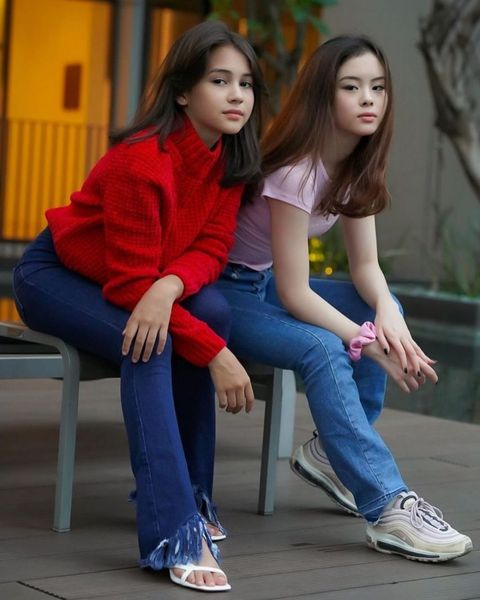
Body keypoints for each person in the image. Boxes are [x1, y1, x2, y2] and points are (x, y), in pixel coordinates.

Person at [12, 20, 265, 592]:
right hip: (58, 275)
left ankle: (194, 495)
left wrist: (170, 286)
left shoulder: (228, 158)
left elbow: (212, 245)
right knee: (152, 342)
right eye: (219, 81)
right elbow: (129, 285)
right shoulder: (142, 162)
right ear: (183, 92)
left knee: (212, 310)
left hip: (148, 276)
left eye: (246, 83)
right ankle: (173, 529)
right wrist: (217, 354)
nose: (236, 96)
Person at [216, 35, 473, 563]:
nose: (368, 99)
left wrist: (386, 315)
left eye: (377, 87)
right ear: (322, 95)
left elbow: (366, 268)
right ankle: (387, 505)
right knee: (324, 347)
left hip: (263, 285)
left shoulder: (355, 165)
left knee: (382, 306)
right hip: (224, 292)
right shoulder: (296, 172)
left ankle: (332, 455)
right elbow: (295, 293)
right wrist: (365, 341)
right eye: (351, 87)